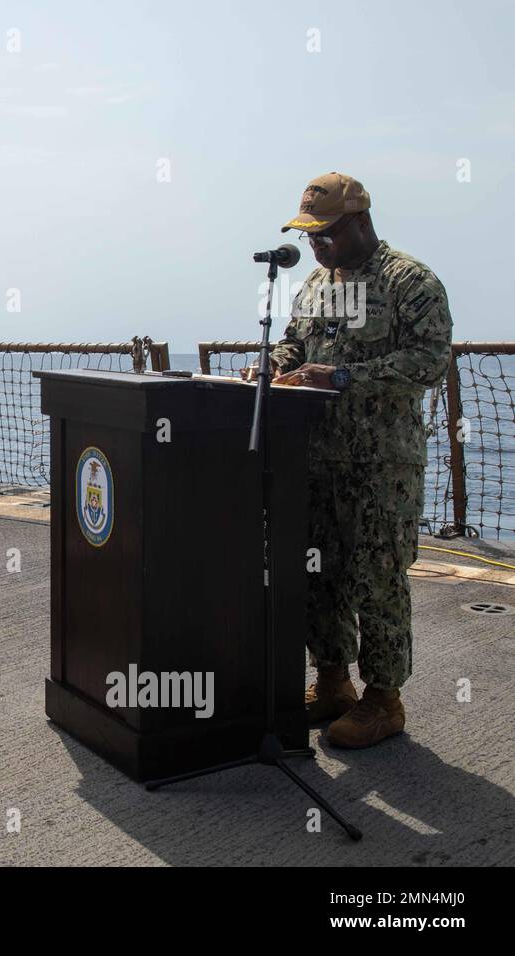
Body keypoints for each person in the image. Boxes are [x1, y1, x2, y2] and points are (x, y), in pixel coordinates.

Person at [259, 172, 452, 748]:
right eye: (309, 234)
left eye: (326, 234)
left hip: (381, 467)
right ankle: (333, 681)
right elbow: (296, 341)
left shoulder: (409, 282)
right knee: (319, 574)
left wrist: (345, 376)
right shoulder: (317, 283)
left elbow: (429, 360)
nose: (316, 245)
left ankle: (384, 700)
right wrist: (275, 365)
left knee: (376, 581)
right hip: (318, 459)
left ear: (359, 222)